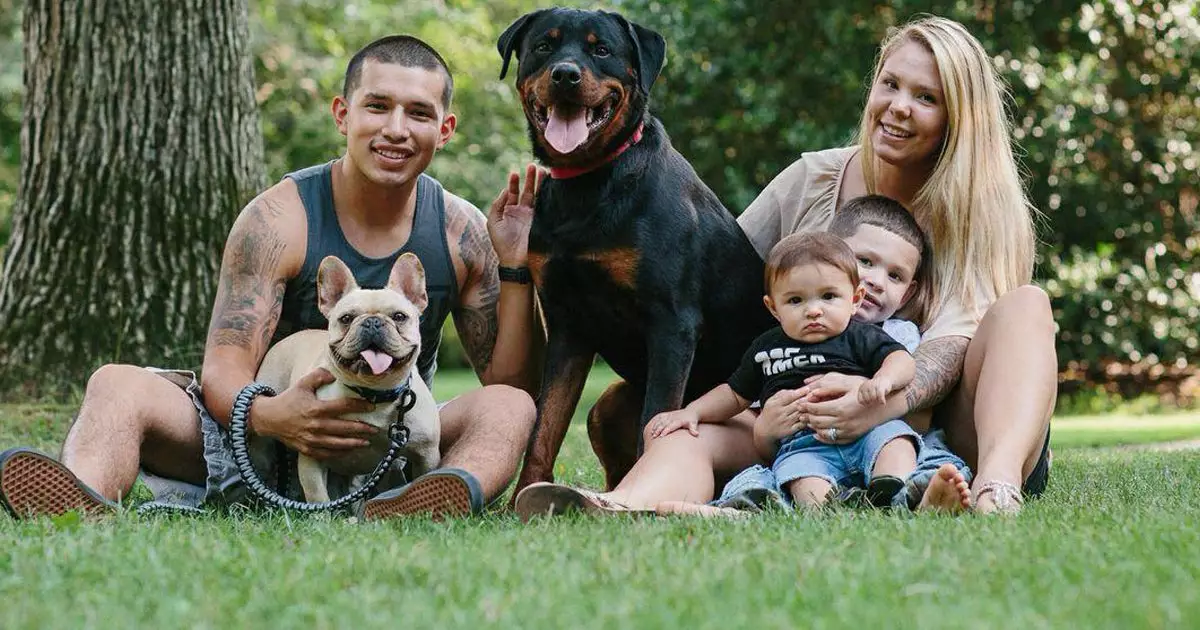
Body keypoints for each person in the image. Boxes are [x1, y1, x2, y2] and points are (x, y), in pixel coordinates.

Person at [518, 15, 1054, 517]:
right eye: (889, 84)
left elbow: (956, 344)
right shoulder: (813, 178)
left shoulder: (984, 210)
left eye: (926, 97)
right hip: (803, 424)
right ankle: (629, 505)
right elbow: (724, 274)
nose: (897, 106)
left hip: (939, 425)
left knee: (1026, 306)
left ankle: (994, 488)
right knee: (676, 431)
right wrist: (762, 410)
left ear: (958, 117)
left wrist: (878, 401)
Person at [0, 35, 543, 520]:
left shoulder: (461, 231)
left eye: (418, 113)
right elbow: (225, 368)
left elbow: (510, 382)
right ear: (342, 114)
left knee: (511, 407)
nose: (396, 129)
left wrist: (515, 264)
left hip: (389, 440)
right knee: (115, 382)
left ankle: (430, 500)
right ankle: (76, 501)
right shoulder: (278, 219)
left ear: (444, 128)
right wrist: (274, 416)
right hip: (251, 437)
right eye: (376, 106)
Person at [646, 229, 927, 509]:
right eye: (796, 300)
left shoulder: (860, 335)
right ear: (773, 308)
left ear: (854, 299)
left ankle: (891, 488)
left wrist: (884, 379)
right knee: (800, 476)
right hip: (804, 443)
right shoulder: (766, 348)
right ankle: (831, 507)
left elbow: (902, 360)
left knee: (896, 441)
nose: (813, 310)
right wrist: (692, 411)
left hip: (867, 429)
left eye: (828, 296)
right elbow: (733, 395)